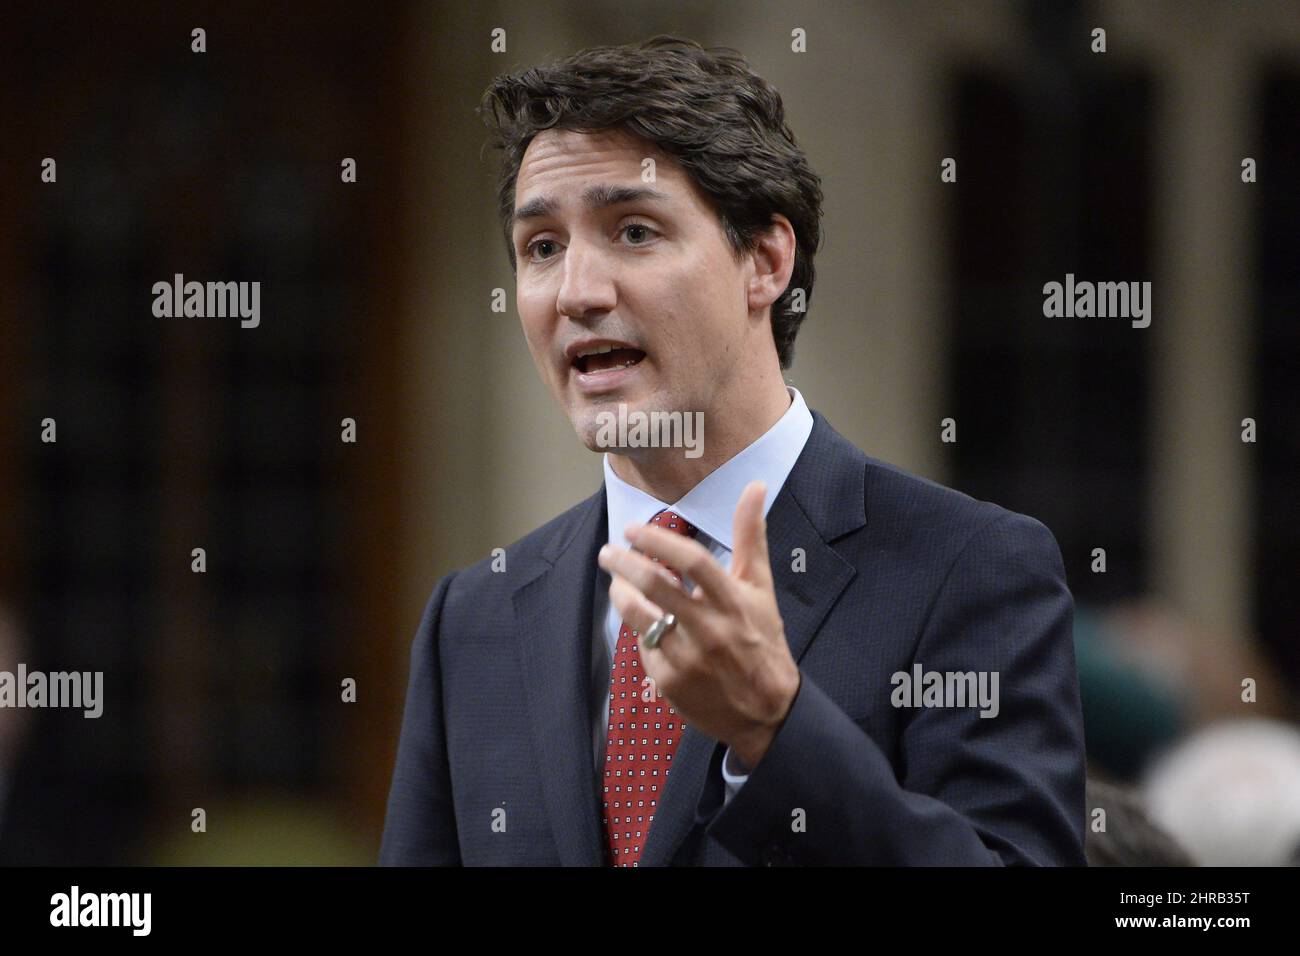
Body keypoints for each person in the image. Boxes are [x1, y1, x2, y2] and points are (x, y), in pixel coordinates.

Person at [379, 35, 1086, 866]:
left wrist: (774, 731)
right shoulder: (474, 617)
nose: (576, 291)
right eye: (542, 247)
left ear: (766, 260)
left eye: (634, 232)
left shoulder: (973, 568)